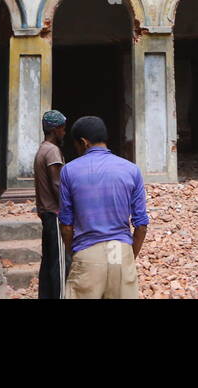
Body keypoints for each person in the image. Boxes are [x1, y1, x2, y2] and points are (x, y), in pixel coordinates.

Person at [58, 115, 148, 299]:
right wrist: (129, 256)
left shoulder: (69, 171)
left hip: (87, 254)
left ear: (83, 143)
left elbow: (66, 226)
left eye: (76, 146)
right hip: (121, 253)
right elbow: (141, 225)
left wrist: (75, 254)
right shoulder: (132, 170)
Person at [33, 110, 68, 299]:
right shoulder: (52, 151)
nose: (64, 133)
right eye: (62, 129)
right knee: (60, 265)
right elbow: (57, 184)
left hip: (46, 214)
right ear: (55, 130)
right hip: (55, 214)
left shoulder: (42, 149)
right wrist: (69, 210)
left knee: (48, 263)